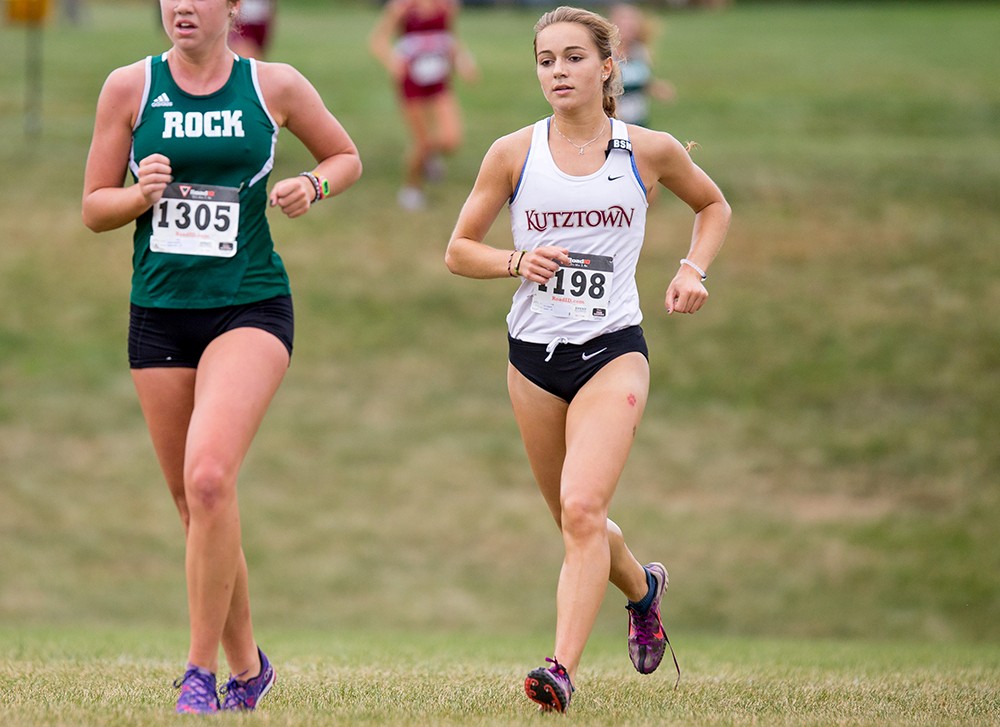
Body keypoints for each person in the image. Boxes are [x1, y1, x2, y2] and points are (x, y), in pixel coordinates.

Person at [445, 5, 730, 713]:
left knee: (582, 508)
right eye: (546, 60)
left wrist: (693, 268)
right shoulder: (513, 152)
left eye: (573, 57)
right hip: (532, 359)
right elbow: (458, 250)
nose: (558, 71)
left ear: (609, 65)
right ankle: (644, 588)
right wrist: (516, 258)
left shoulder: (647, 149)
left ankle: (559, 670)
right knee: (578, 524)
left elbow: (714, 205)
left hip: (612, 353)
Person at [82, 0, 362, 714]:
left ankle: (199, 673)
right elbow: (93, 206)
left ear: (232, 7)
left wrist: (314, 184)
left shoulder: (275, 87)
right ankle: (249, 669)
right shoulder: (130, 87)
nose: (181, 6)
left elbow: (346, 154)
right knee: (195, 503)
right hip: (160, 313)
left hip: (249, 304)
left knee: (209, 477)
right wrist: (138, 195)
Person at [369, 0, 477, 210]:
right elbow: (377, 40)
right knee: (422, 141)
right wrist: (393, 63)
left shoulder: (447, 6)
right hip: (411, 83)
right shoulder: (402, 7)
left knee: (451, 140)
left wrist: (463, 61)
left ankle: (428, 157)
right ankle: (411, 189)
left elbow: (451, 39)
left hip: (439, 82)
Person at [609, 3, 675, 127]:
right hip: (615, 121)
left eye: (631, 24)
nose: (627, 28)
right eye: (623, 23)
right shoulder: (607, 54)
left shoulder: (640, 51)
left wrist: (657, 88)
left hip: (638, 119)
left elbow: (642, 81)